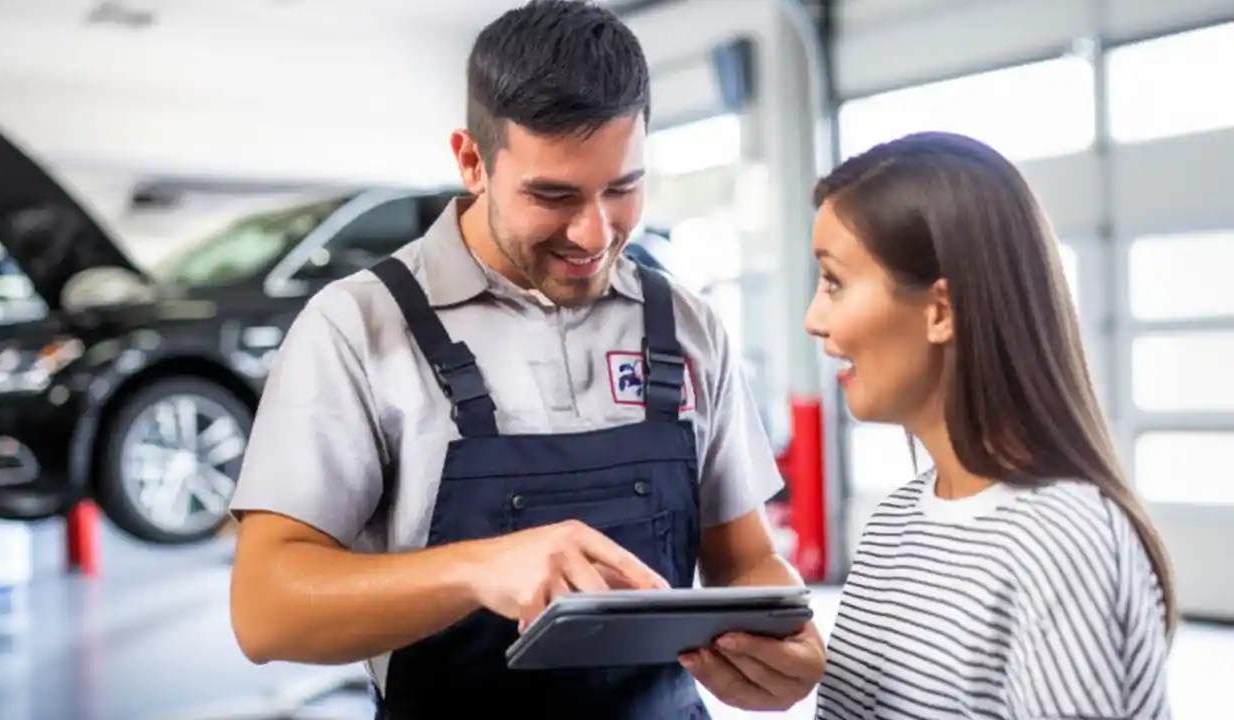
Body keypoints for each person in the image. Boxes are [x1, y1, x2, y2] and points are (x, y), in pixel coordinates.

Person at [226, 1, 824, 717]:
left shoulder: (685, 325)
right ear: (472, 161)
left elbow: (745, 556)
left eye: (623, 187)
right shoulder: (356, 328)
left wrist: (784, 640)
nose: (594, 231)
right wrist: (480, 568)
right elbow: (265, 610)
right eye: (553, 194)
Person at [804, 131, 1175, 719]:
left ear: (941, 311)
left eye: (834, 283)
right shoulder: (892, 527)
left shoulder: (1063, 540)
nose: (814, 320)